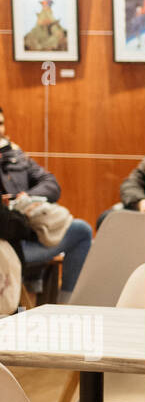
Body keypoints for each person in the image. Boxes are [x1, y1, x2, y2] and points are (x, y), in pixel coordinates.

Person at [0, 106, 93, 301]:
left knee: (81, 230)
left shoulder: (15, 156)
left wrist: (26, 199)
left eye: (0, 124)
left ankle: (69, 303)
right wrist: (17, 211)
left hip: (30, 231)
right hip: (10, 242)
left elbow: (51, 185)